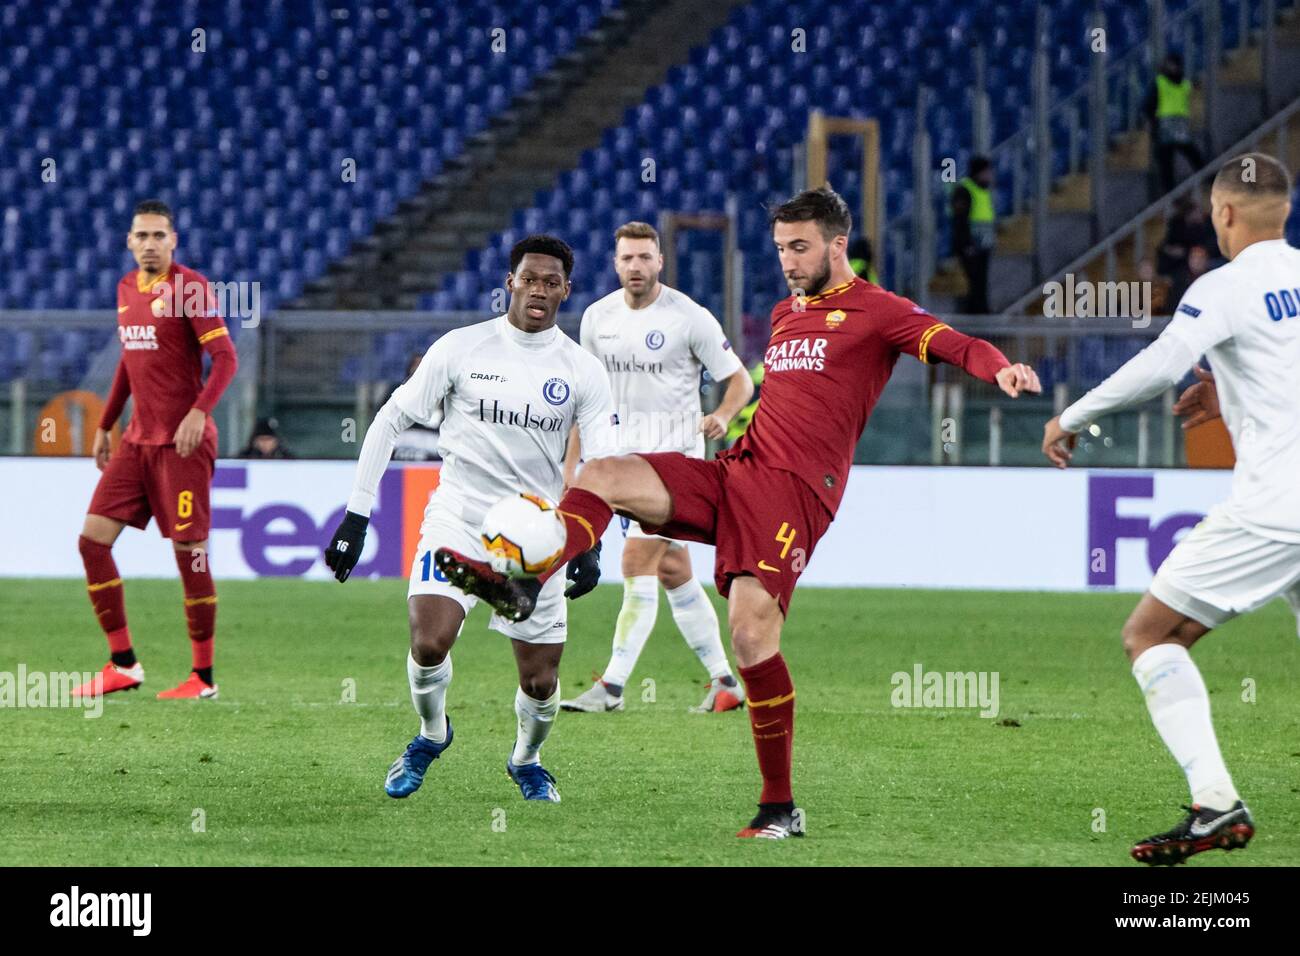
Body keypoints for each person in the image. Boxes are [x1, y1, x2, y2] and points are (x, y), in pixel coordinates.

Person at [436, 187, 1042, 838]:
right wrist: (730, 425)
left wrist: (999, 367)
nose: (787, 260)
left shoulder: (877, 311)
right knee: (605, 473)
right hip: (737, 471)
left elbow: (948, 341)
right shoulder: (785, 315)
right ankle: (525, 582)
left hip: (796, 494)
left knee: (752, 638)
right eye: (781, 247)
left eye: (800, 247)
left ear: (838, 246)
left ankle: (779, 808)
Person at [1042, 153, 1300, 865]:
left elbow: (1160, 363)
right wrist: (1230, 390)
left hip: (1278, 508)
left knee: (1150, 634)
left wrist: (1071, 416)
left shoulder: (1223, 286)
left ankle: (1215, 803)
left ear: (1223, 214)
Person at [323, 235, 613, 804]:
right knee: (429, 642)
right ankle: (432, 735)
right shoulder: (461, 348)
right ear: (510, 282)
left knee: (540, 680)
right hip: (459, 519)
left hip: (539, 538)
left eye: (551, 282)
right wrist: (357, 514)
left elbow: (602, 466)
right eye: (529, 278)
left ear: (566, 291)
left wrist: (590, 542)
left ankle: (526, 760)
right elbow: (389, 420)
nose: (539, 289)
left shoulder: (582, 370)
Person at [560, 220, 753, 716]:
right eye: (627, 258)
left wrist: (723, 416)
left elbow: (740, 382)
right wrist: (574, 464)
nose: (636, 266)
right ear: (614, 262)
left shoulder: (689, 317)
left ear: (660, 261)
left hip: (676, 466)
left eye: (645, 257)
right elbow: (587, 399)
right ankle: (725, 682)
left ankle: (613, 687)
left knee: (635, 564)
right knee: (672, 571)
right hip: (620, 466)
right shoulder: (597, 319)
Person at [72, 199, 238, 701]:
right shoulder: (126, 289)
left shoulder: (189, 288)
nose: (149, 244)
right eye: (141, 236)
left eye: (158, 236)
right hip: (137, 441)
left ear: (174, 241)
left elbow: (225, 358)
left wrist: (198, 412)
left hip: (181, 445)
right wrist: (106, 423)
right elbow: (130, 360)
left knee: (189, 555)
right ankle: (122, 662)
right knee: (92, 542)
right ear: (129, 241)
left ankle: (203, 677)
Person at [1145, 52, 1204, 195]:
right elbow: (1149, 106)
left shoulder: (1184, 84)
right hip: (1164, 126)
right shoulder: (1160, 82)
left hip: (1179, 125)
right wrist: (1153, 125)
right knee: (1166, 162)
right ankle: (1169, 193)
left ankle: (1208, 178)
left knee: (1192, 153)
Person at [950, 156, 995, 313]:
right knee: (974, 283)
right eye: (986, 171)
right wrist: (967, 244)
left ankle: (982, 315)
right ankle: (975, 317)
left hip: (983, 245)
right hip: (970, 246)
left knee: (980, 284)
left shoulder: (983, 190)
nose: (990, 175)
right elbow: (960, 220)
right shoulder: (964, 190)